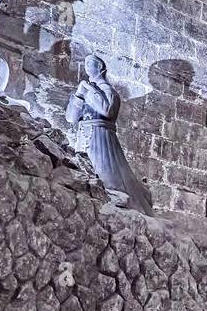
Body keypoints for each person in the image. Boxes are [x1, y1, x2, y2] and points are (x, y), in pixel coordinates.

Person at [66, 55, 154, 214]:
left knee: (106, 174)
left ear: (100, 68)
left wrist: (90, 91)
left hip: (101, 135)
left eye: (90, 64)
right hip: (84, 133)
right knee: (85, 169)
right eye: (85, 64)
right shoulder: (85, 90)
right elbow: (71, 118)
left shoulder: (108, 91)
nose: (86, 67)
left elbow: (107, 110)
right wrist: (79, 95)